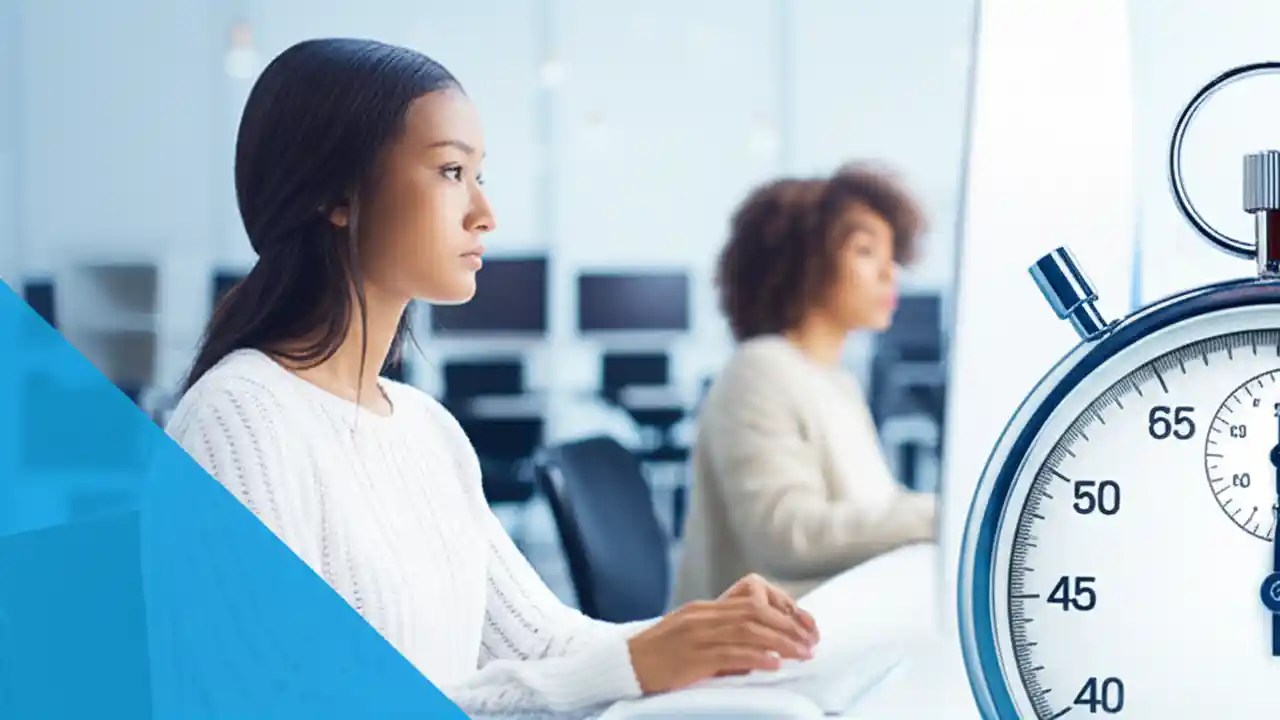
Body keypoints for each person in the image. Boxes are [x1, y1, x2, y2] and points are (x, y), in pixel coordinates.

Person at [163, 38, 818, 718]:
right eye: (450, 171)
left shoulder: (423, 428)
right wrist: (636, 663)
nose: (485, 213)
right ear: (336, 195)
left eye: (481, 175)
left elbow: (543, 644)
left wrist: (703, 641)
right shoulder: (238, 418)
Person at [672, 167, 939, 605]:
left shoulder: (835, 382)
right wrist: (939, 516)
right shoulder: (758, 371)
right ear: (802, 261)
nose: (889, 273)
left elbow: (878, 508)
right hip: (759, 653)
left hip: (825, 625)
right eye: (865, 251)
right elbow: (786, 535)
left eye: (892, 256)